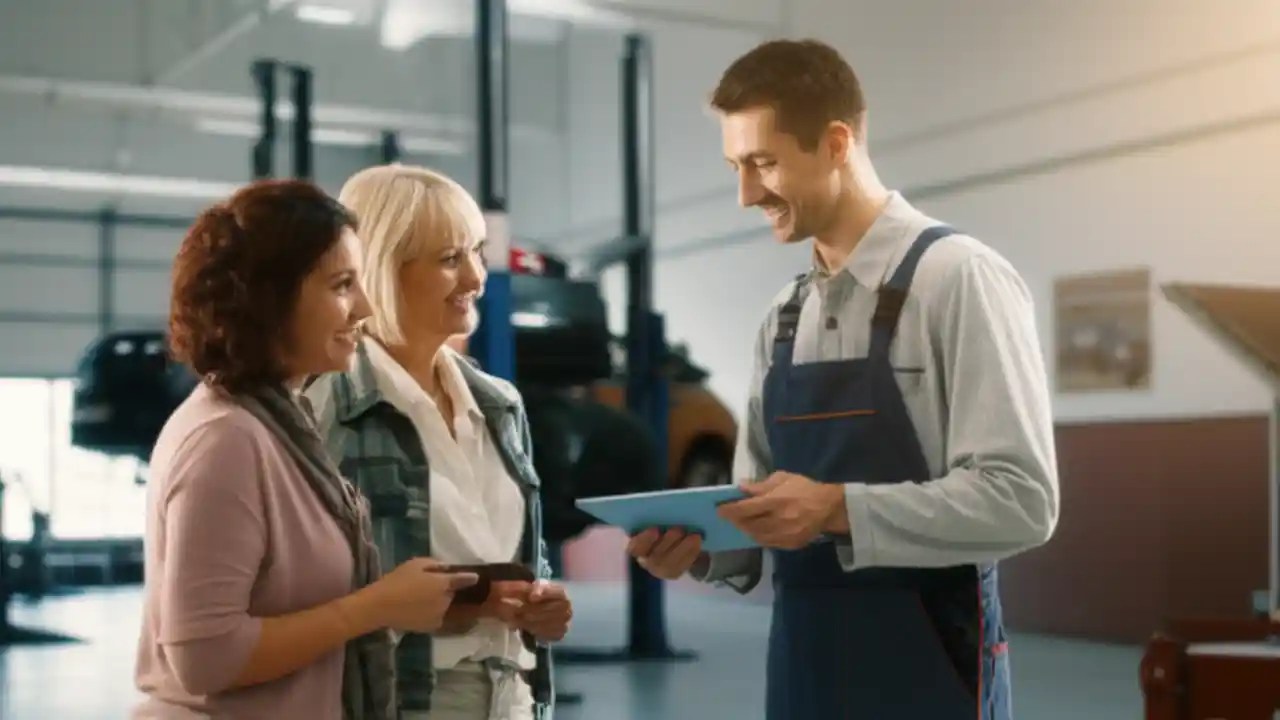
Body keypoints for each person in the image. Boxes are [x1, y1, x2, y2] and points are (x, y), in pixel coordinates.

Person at [627, 38, 1060, 719]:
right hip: (806, 667)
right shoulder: (781, 318)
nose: (745, 195)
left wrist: (835, 509)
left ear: (835, 142)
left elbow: (1023, 500)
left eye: (763, 163)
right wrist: (693, 550)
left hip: (933, 669)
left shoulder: (959, 280)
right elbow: (752, 513)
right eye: (736, 167)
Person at [133, 179, 480, 720]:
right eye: (342, 285)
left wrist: (411, 606)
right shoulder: (225, 439)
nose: (364, 308)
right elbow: (204, 657)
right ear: (268, 300)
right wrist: (373, 607)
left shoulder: (281, 426)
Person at [306, 164, 571, 720]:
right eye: (452, 259)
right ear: (383, 268)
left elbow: (518, 553)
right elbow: (299, 597)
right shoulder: (325, 407)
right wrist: (457, 608)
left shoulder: (499, 404)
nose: (477, 277)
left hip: (514, 698)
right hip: (406, 702)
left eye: (477, 252)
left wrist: (542, 602)